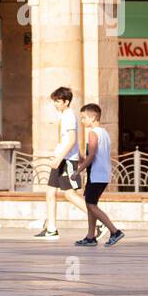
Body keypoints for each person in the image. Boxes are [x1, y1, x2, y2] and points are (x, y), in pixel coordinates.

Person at [35, 87, 91, 239]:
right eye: (55, 101)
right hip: (62, 158)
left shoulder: (69, 116)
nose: (55, 104)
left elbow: (72, 139)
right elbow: (71, 140)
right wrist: (78, 156)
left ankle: (98, 220)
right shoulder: (63, 115)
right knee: (50, 193)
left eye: (58, 101)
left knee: (70, 194)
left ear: (66, 102)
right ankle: (51, 229)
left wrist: (60, 158)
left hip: (65, 160)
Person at [73, 103, 124, 247]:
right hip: (101, 174)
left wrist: (79, 170)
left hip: (96, 175)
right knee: (91, 204)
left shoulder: (93, 133)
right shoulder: (104, 133)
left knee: (91, 205)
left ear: (93, 117)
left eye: (84, 118)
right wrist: (81, 158)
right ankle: (91, 237)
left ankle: (114, 231)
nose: (82, 121)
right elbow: (94, 155)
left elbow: (92, 156)